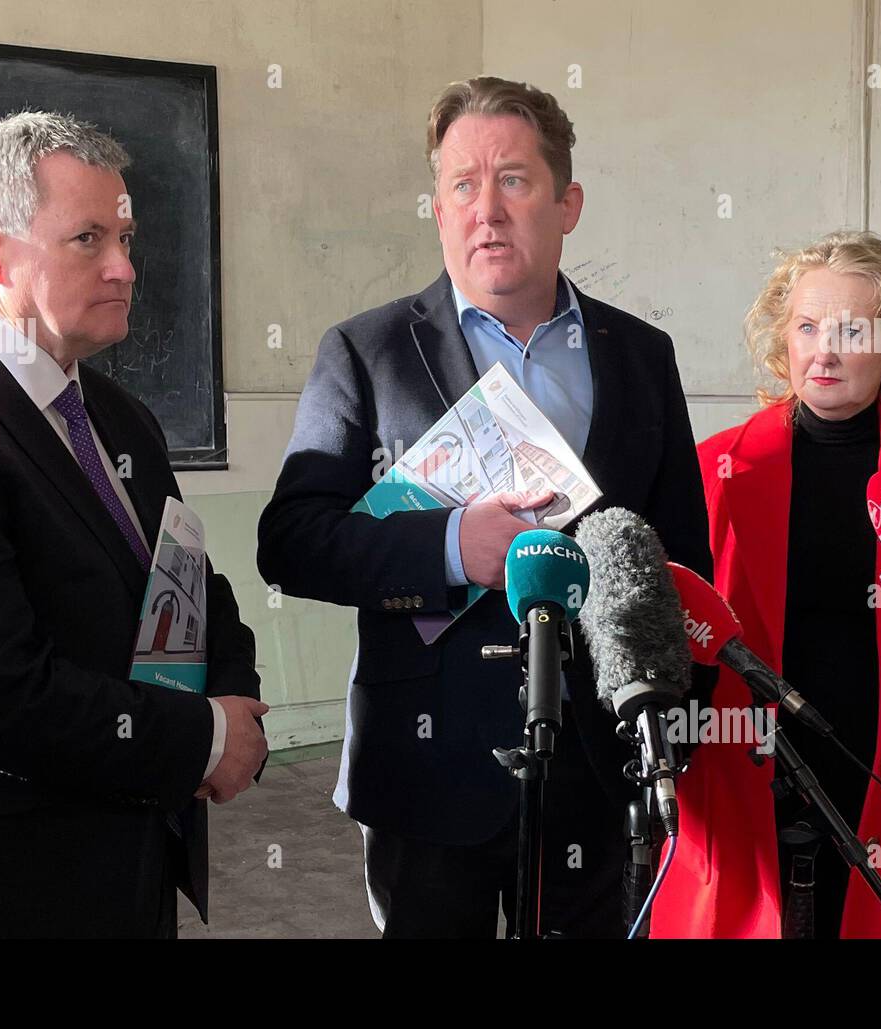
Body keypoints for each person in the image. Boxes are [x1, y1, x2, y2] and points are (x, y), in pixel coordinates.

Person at [257, 77, 713, 938]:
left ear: (567, 202)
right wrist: (448, 546)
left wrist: (674, 737)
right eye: (462, 185)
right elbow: (293, 541)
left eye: (513, 179)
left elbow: (681, 556)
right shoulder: (367, 350)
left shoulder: (642, 355)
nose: (486, 209)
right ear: (437, 210)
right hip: (428, 769)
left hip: (598, 764)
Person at [0, 111, 268, 938]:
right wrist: (205, 738)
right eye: (88, 239)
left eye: (126, 236)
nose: (124, 267)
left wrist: (234, 693)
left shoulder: (118, 417)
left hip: (127, 864)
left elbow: (186, 580)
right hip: (0, 895)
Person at [652, 230, 881, 938]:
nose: (825, 349)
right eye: (808, 326)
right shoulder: (718, 467)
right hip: (744, 762)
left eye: (853, 330)